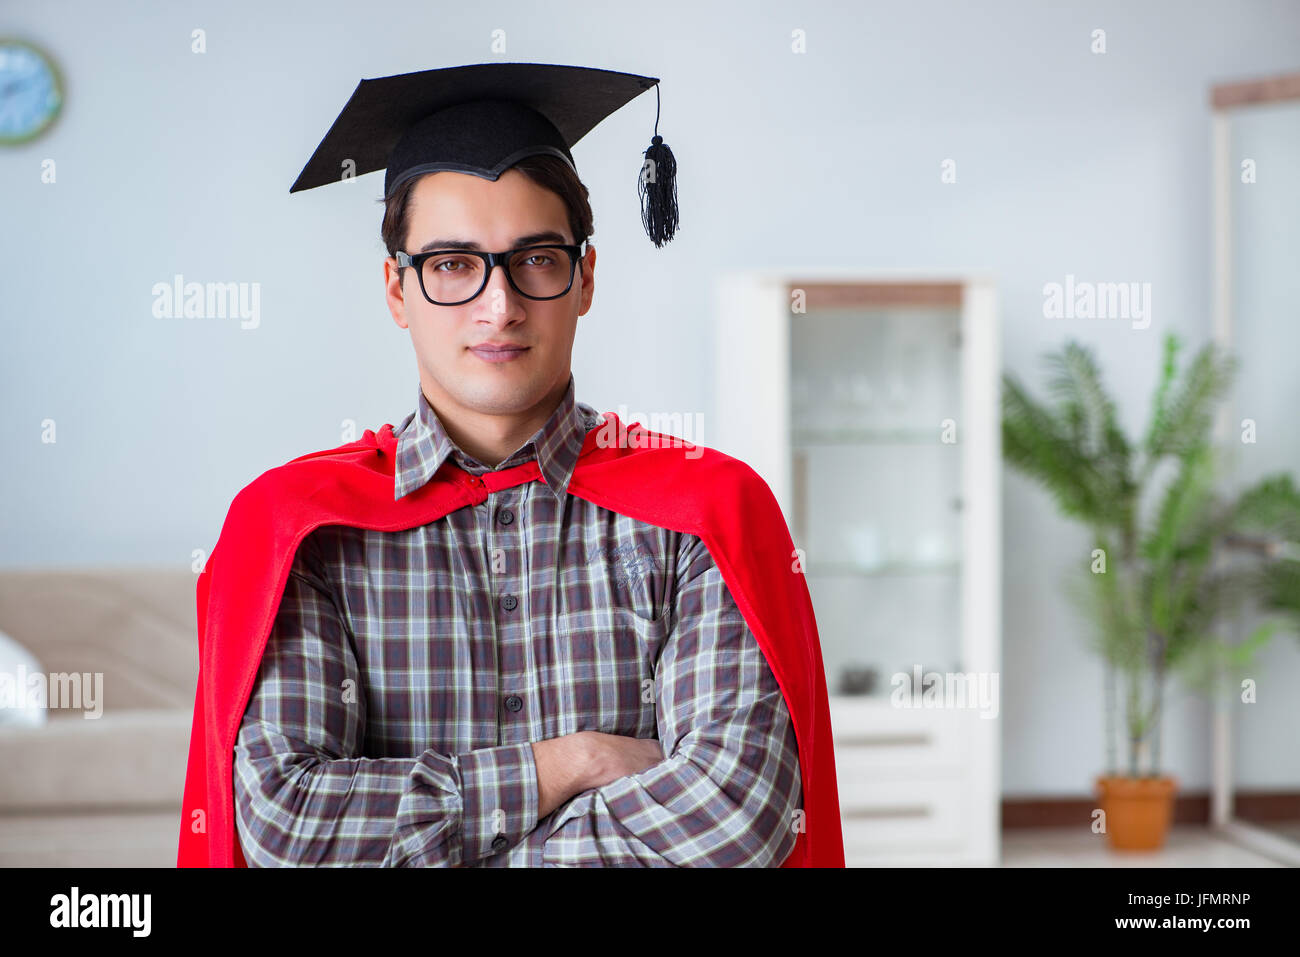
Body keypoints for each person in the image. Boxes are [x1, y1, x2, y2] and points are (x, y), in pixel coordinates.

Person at [178, 62, 843, 868]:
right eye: (453, 264)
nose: (500, 306)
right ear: (397, 289)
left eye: (535, 258)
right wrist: (571, 762)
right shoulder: (302, 530)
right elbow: (291, 827)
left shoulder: (704, 515)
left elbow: (734, 819)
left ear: (585, 277)